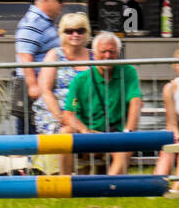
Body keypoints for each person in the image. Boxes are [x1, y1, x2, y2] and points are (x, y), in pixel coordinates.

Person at [61, 32, 144, 176]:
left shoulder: (129, 72)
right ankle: (64, 185)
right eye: (103, 51)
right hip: (88, 133)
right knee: (64, 134)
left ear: (118, 53)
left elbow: (136, 102)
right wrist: (85, 131)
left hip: (116, 134)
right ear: (94, 54)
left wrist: (129, 132)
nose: (107, 55)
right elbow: (68, 114)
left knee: (126, 148)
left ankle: (108, 189)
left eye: (111, 52)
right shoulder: (80, 80)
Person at [35, 12, 93, 175]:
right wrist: (60, 117)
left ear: (86, 32)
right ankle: (65, 179)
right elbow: (45, 90)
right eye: (69, 31)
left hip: (87, 111)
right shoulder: (54, 55)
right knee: (66, 131)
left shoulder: (95, 55)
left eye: (80, 30)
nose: (75, 34)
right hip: (57, 111)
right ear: (62, 33)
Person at [13, 0, 74, 133]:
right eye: (60, 0)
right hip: (35, 87)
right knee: (31, 135)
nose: (63, 4)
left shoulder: (43, 21)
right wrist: (33, 86)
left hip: (42, 85)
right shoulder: (33, 22)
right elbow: (25, 55)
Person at [154, 44, 179, 179]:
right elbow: (171, 124)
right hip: (178, 130)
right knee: (167, 150)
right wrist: (178, 138)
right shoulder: (170, 88)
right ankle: (156, 186)